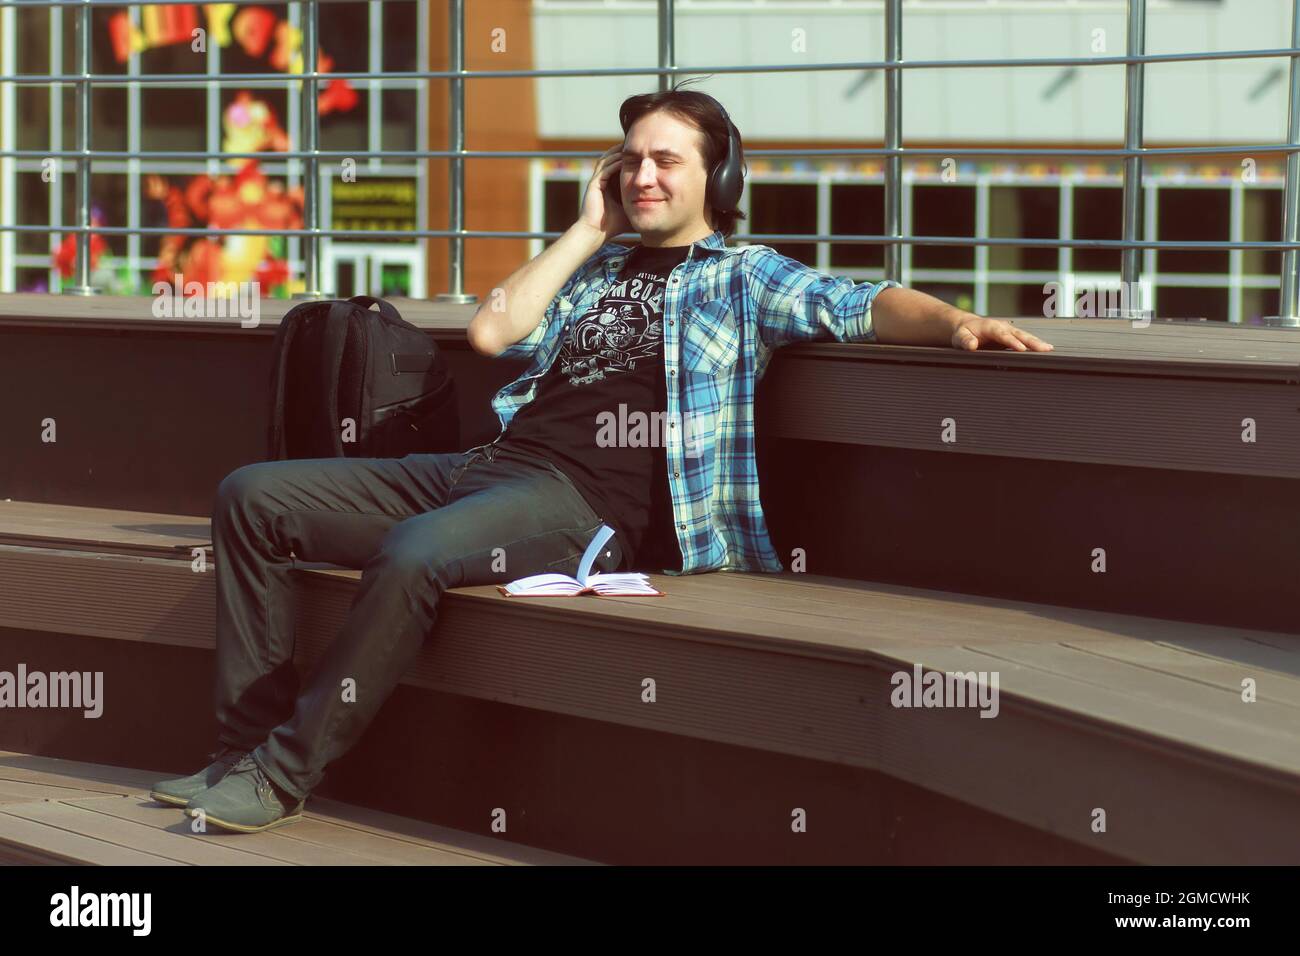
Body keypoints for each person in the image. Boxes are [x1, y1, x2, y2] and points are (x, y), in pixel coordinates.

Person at [150, 85, 1053, 833]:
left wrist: (957, 322)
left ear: (717, 177)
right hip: (486, 465)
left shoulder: (741, 275)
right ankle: (238, 751)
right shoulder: (600, 269)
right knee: (251, 496)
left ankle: (279, 778)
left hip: (583, 505)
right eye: (632, 157)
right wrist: (588, 228)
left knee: (415, 552)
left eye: (668, 159)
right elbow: (492, 328)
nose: (644, 173)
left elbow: (861, 302)